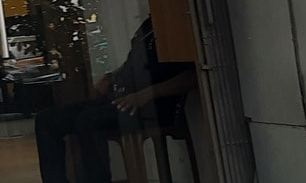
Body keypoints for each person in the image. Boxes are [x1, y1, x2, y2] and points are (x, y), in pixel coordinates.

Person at [33, 17, 196, 183]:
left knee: (88, 120)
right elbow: (133, 64)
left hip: (155, 104)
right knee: (47, 119)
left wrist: (145, 94)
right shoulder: (148, 25)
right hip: (123, 98)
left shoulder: (175, 26)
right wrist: (111, 77)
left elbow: (191, 77)